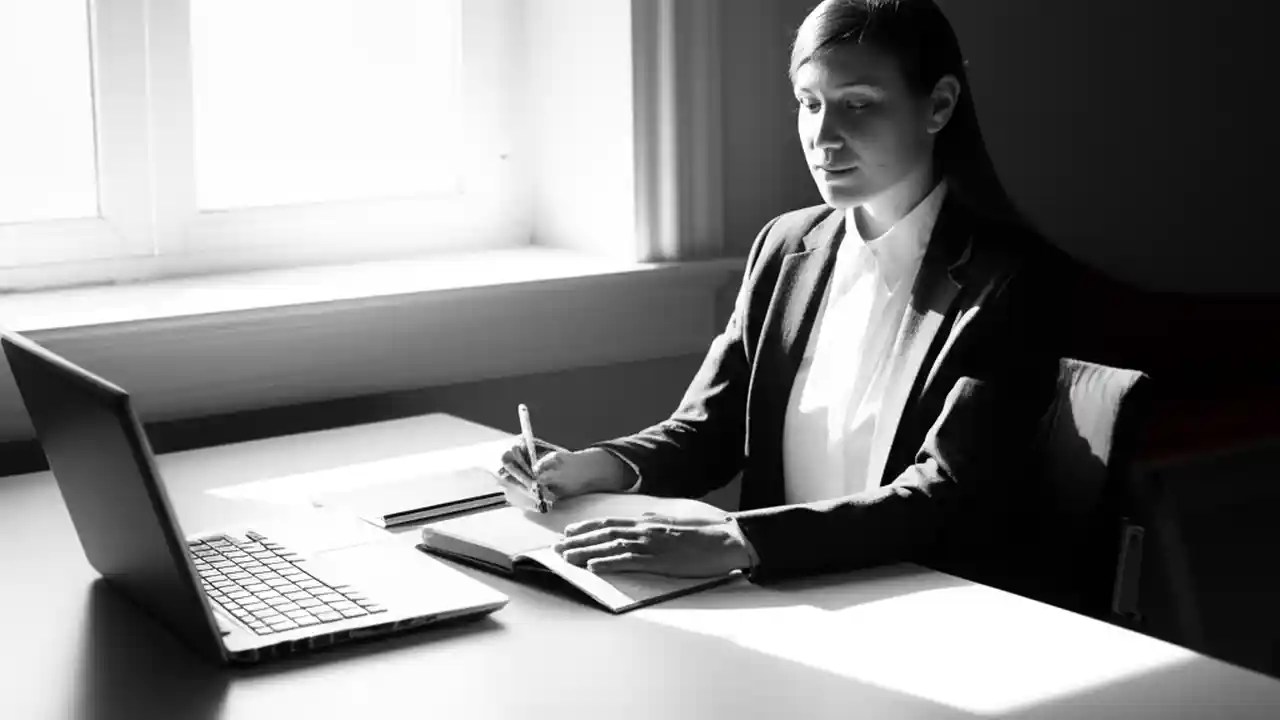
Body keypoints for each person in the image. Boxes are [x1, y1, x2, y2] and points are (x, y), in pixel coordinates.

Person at [499, 0, 1076, 588]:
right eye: (809, 104)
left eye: (858, 104)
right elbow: (709, 430)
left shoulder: (1009, 280)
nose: (823, 137)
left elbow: (944, 494)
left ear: (939, 104)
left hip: (929, 606)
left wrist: (741, 540)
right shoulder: (785, 246)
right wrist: (592, 467)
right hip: (784, 598)